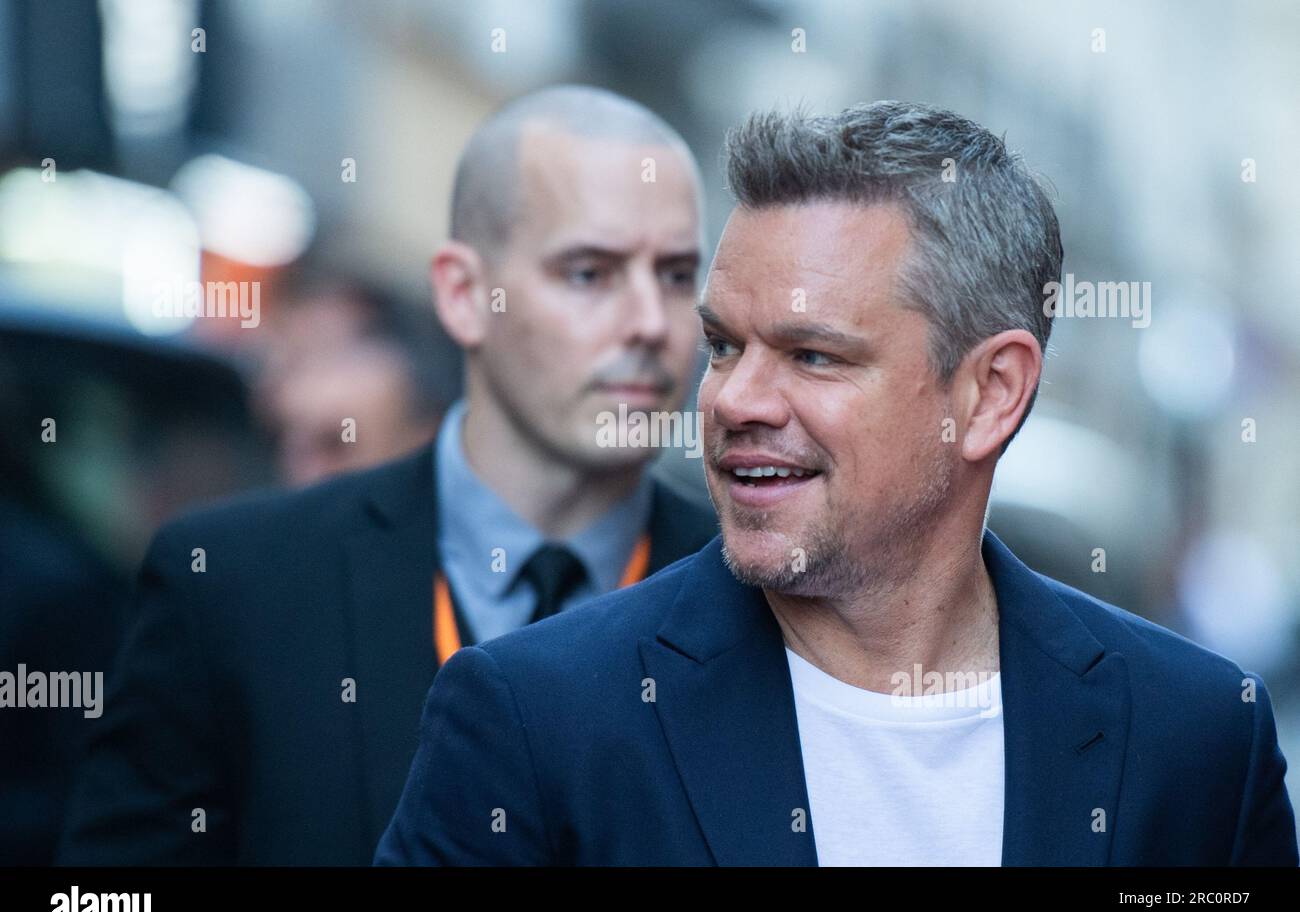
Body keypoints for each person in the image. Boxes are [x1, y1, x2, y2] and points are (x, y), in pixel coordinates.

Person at [376, 101, 1298, 866]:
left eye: (813, 355)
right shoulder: (539, 722)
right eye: (725, 345)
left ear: (991, 394)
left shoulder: (1197, 740)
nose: (735, 399)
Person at [58, 85, 716, 865]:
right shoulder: (233, 588)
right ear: (466, 296)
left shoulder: (756, 599)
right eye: (589, 272)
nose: (648, 320)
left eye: (676, 276)